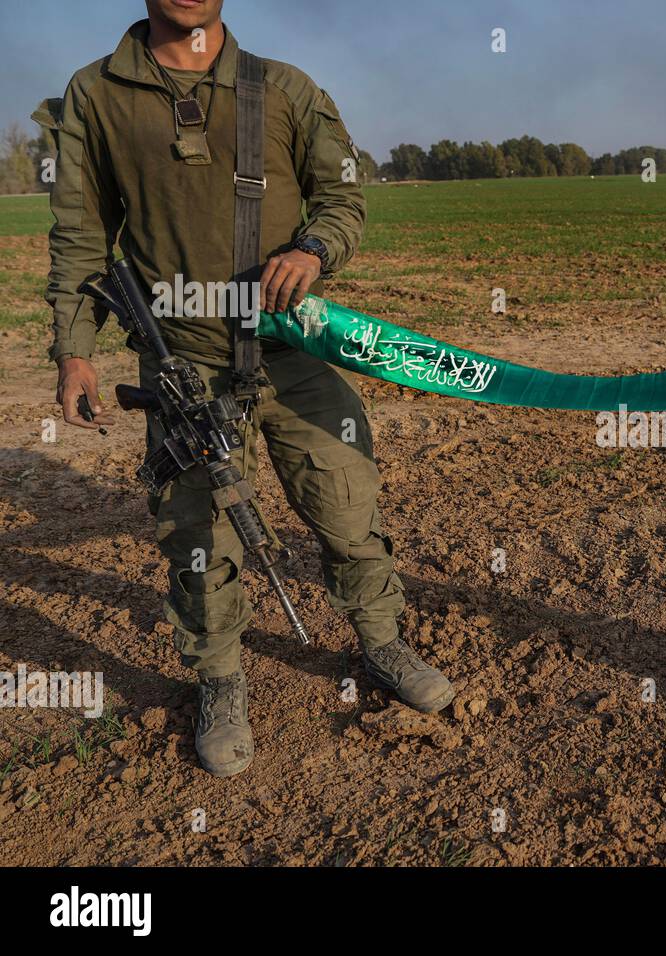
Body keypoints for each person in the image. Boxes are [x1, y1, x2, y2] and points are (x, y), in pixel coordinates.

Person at [39, 0, 455, 778]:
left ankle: (383, 644)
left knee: (345, 502)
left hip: (291, 348)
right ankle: (220, 680)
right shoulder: (96, 93)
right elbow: (82, 232)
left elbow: (342, 198)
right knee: (200, 536)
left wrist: (315, 250)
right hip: (182, 359)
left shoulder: (287, 89)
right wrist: (75, 351)